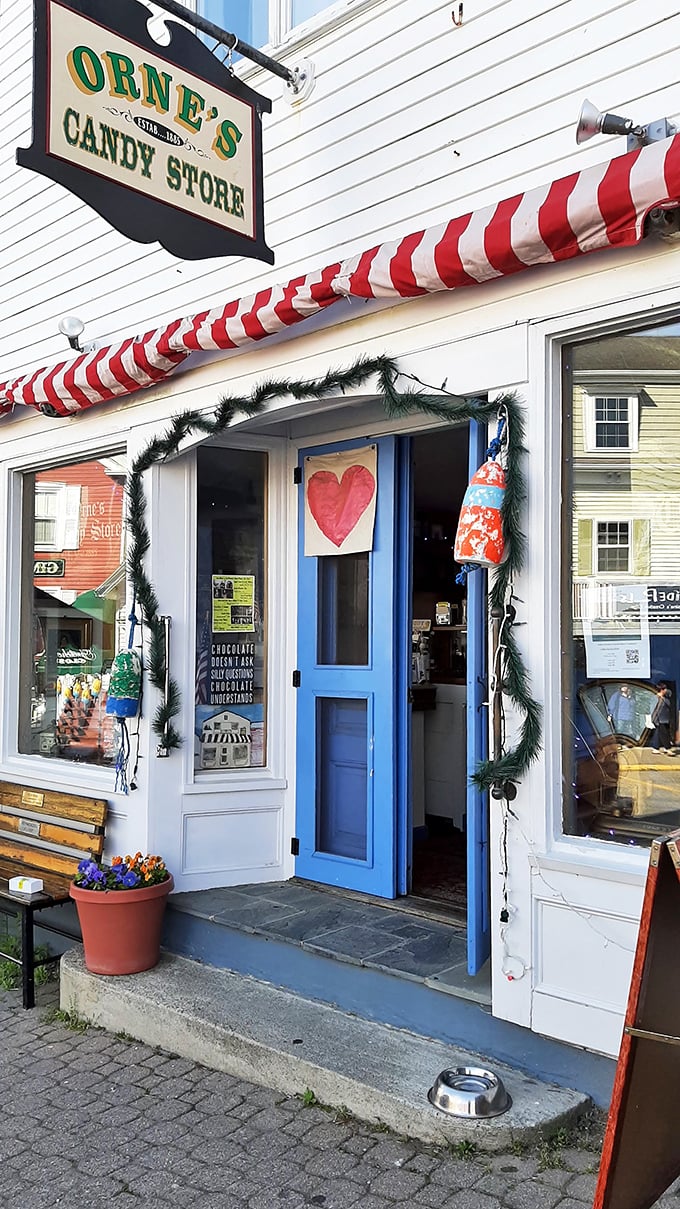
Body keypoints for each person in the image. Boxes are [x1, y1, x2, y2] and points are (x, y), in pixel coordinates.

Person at [649, 681, 673, 750]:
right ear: (661, 690)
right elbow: (653, 709)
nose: (666, 690)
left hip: (665, 719)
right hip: (659, 719)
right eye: (664, 689)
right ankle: (667, 747)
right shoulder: (655, 698)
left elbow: (668, 705)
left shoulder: (665, 698)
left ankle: (656, 747)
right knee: (663, 734)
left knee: (658, 733)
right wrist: (654, 719)